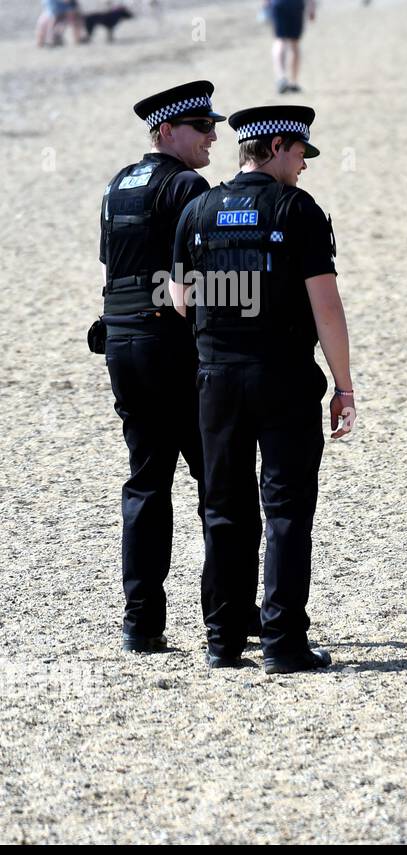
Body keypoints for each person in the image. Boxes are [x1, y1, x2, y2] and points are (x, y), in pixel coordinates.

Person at [170, 105, 355, 674]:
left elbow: (179, 300)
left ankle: (223, 642)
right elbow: (326, 307)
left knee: (224, 508)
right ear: (276, 146)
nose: (303, 166)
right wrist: (344, 388)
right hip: (282, 380)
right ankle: (282, 643)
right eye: (300, 154)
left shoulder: (197, 209)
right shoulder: (296, 210)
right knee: (286, 511)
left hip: (217, 381)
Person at [98, 81, 225, 653]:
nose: (213, 138)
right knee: (216, 481)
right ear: (168, 131)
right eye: (203, 129)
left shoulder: (118, 184)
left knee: (147, 481)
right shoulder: (185, 185)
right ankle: (226, 619)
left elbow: (114, 265)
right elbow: (196, 276)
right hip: (171, 344)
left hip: (122, 343)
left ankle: (141, 624)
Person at [264, 0, 316, 94]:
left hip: (278, 4)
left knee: (280, 41)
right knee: (294, 43)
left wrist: (265, 6)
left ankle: (281, 77)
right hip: (295, 4)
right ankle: (294, 82)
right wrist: (312, 8)